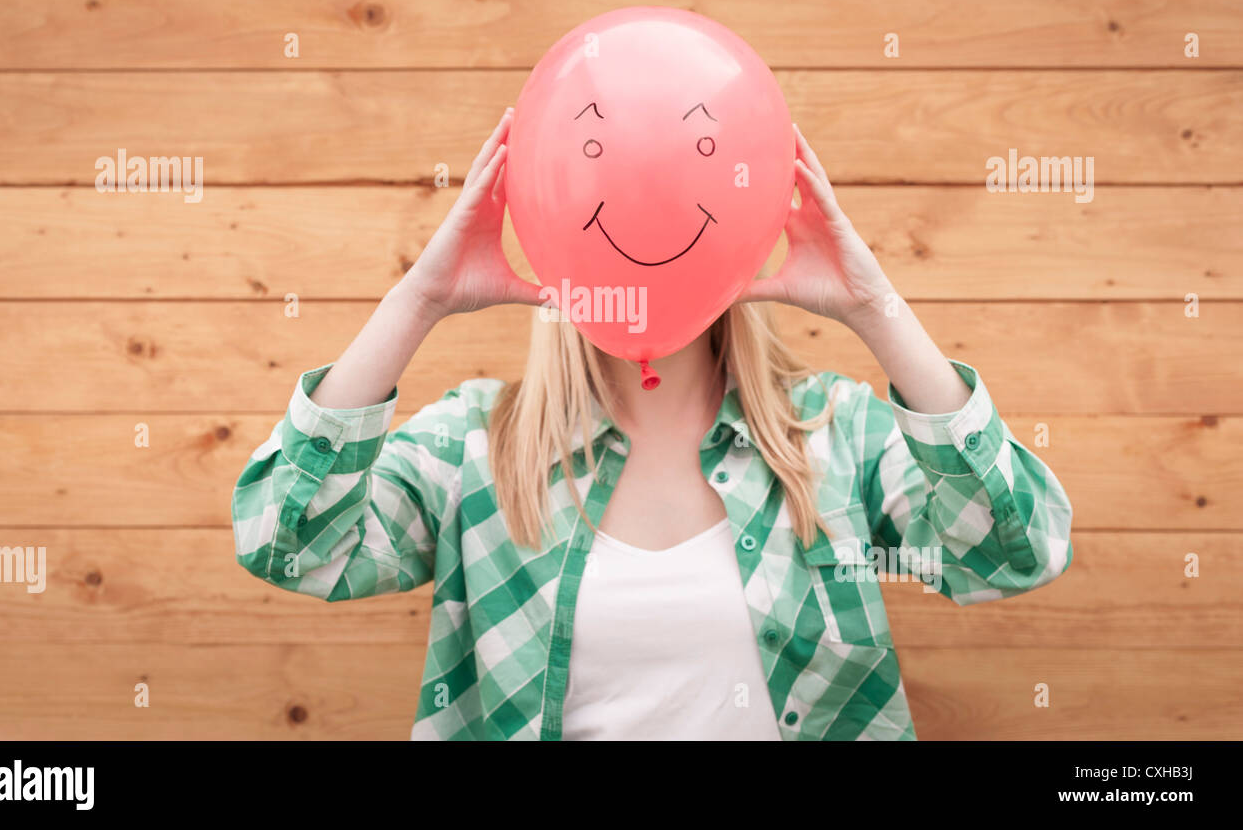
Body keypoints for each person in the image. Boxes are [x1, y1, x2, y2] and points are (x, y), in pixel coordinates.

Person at [231, 108, 1074, 740]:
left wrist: (876, 308)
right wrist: (418, 301)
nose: (644, 213)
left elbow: (1018, 551)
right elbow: (289, 542)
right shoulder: (475, 448)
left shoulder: (835, 436)